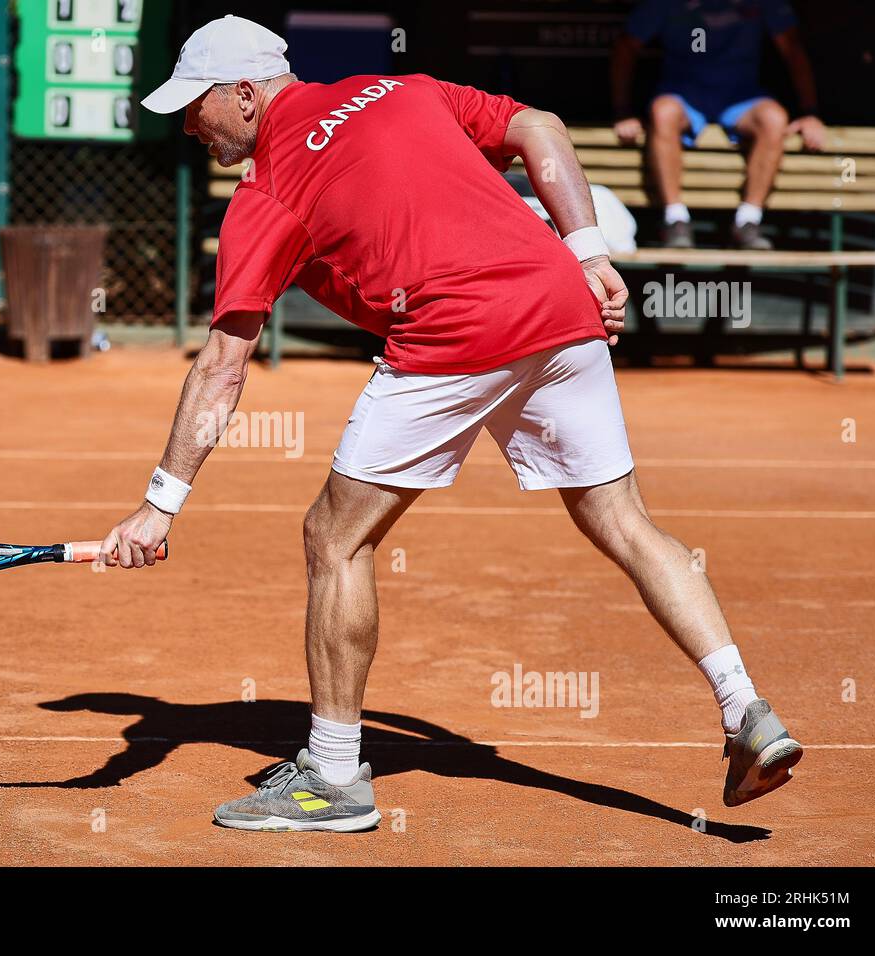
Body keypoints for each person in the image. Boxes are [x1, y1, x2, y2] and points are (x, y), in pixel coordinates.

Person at [99, 15, 802, 832]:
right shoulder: (400, 87)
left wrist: (161, 502)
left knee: (336, 537)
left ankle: (330, 778)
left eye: (197, 105)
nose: (189, 124)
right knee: (622, 519)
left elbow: (223, 364)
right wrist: (588, 251)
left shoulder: (265, 193)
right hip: (559, 302)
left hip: (453, 332)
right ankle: (744, 707)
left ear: (247, 95)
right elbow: (538, 125)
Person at [611, 0, 826, 250]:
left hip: (740, 95)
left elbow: (792, 48)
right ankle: (675, 220)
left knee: (774, 117)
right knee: (663, 111)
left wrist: (811, 113)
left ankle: (748, 221)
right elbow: (627, 46)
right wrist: (622, 111)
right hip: (684, 93)